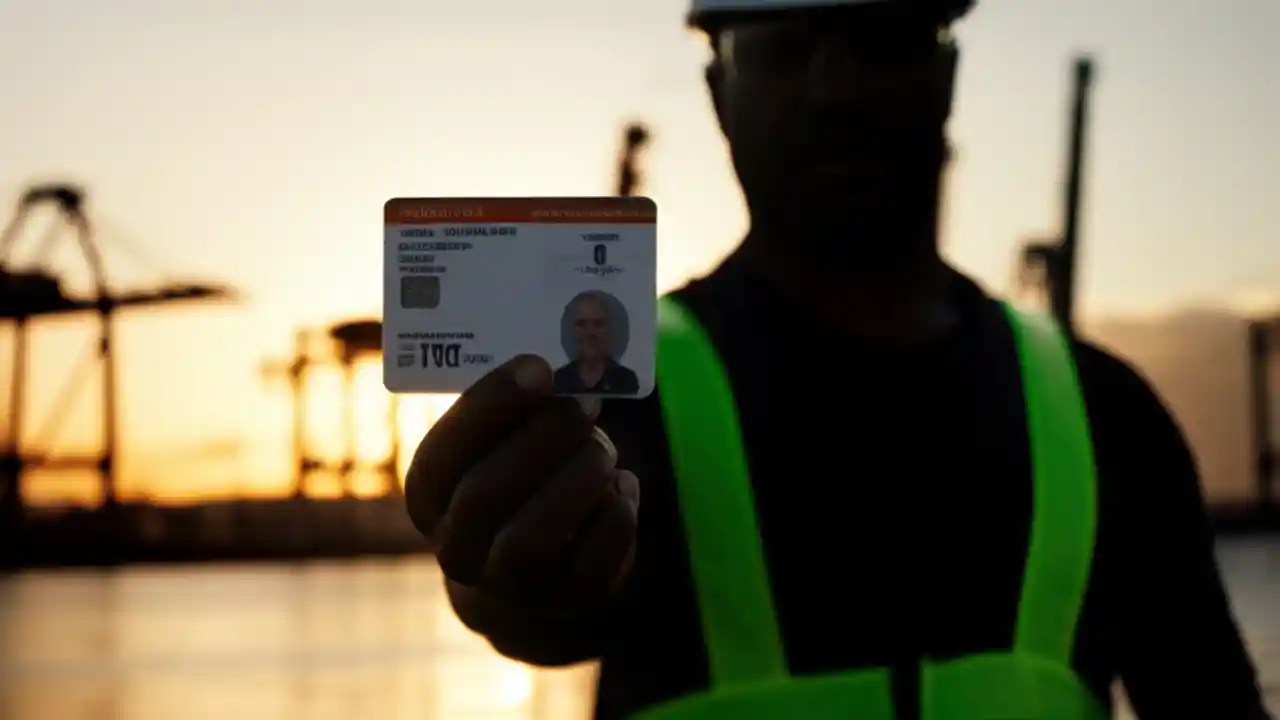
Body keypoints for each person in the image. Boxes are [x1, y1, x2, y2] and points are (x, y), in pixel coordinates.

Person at [404, 0, 1275, 717]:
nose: (835, 89)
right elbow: (539, 604)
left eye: (878, 35)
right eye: (785, 47)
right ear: (717, 93)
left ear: (947, 74)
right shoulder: (624, 393)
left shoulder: (1107, 417)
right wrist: (504, 570)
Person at [555, 290, 641, 395]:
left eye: (599, 323)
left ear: (610, 329)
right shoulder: (558, 381)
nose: (590, 332)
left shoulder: (625, 380)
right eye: (581, 324)